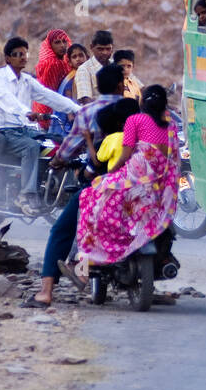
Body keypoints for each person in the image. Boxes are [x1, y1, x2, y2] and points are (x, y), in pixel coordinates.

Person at [31, 63, 126, 307]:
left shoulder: (88, 114)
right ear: (120, 85)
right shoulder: (133, 111)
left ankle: (47, 290)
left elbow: (79, 155)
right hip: (135, 184)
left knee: (64, 230)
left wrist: (58, 161)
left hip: (98, 183)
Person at [75, 83, 180, 273]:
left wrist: (111, 173)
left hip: (134, 183)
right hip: (161, 192)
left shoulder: (135, 120)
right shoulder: (171, 125)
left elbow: (125, 156)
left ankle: (84, 269)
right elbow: (174, 160)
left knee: (89, 200)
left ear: (142, 102)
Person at [0, 37, 78, 212]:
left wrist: (77, 109)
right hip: (2, 131)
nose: (22, 57)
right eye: (17, 54)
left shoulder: (27, 80)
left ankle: (46, 187)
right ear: (8, 58)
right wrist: (26, 112)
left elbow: (49, 96)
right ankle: (26, 195)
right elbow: (7, 100)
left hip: (22, 130)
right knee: (31, 147)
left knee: (56, 141)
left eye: (24, 53)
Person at [32, 28, 71, 130]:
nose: (62, 45)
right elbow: (50, 93)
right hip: (48, 111)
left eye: (64, 41)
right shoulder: (53, 64)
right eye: (57, 42)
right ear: (50, 45)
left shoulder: (61, 61)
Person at [52, 43, 88, 136]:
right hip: (68, 121)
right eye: (74, 57)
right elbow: (68, 100)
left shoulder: (86, 74)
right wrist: (71, 118)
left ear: (87, 57)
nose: (78, 59)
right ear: (70, 62)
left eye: (81, 55)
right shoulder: (71, 79)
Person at [73, 30, 115, 104]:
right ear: (91, 47)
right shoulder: (84, 69)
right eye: (100, 49)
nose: (105, 53)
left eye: (108, 49)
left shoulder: (117, 65)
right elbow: (86, 101)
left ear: (112, 48)